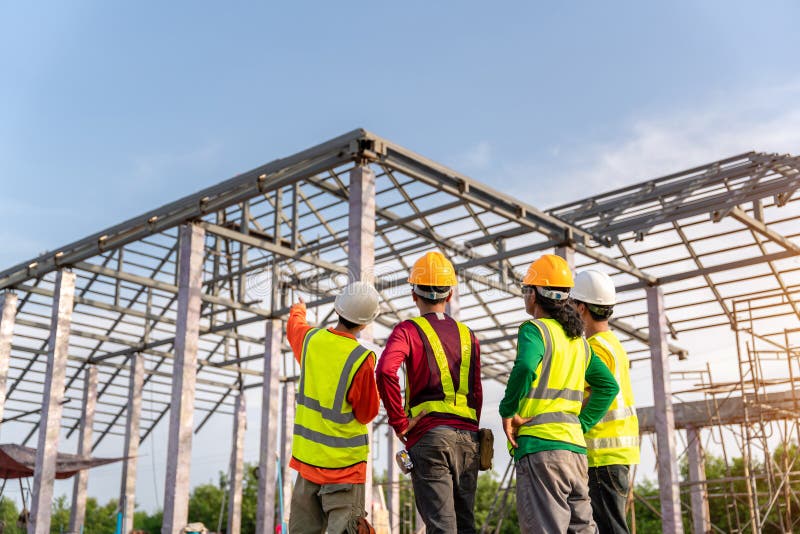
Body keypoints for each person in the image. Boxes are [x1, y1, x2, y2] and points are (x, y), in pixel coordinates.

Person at [499, 254, 619, 534]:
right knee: (583, 528)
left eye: (525, 290)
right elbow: (608, 387)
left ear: (533, 295)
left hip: (541, 452)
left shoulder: (535, 330)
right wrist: (579, 424)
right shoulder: (579, 342)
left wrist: (508, 411)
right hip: (575, 452)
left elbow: (527, 365)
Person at [376, 251, 483, 534]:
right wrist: (471, 427)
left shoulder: (407, 330)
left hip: (430, 438)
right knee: (465, 525)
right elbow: (477, 391)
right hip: (468, 439)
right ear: (449, 295)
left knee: (441, 527)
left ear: (414, 294)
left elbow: (386, 370)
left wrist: (399, 423)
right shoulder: (469, 335)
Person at [288, 281, 381, 534]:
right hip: (345, 472)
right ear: (366, 322)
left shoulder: (311, 341)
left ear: (337, 309)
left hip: (308, 466)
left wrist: (299, 309)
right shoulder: (360, 358)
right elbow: (366, 413)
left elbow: (294, 327)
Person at [572, 270, 640, 534]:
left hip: (602, 455)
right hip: (615, 454)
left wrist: (576, 425)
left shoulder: (596, 348)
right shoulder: (612, 343)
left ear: (581, 308)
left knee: (610, 528)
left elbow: (594, 395)